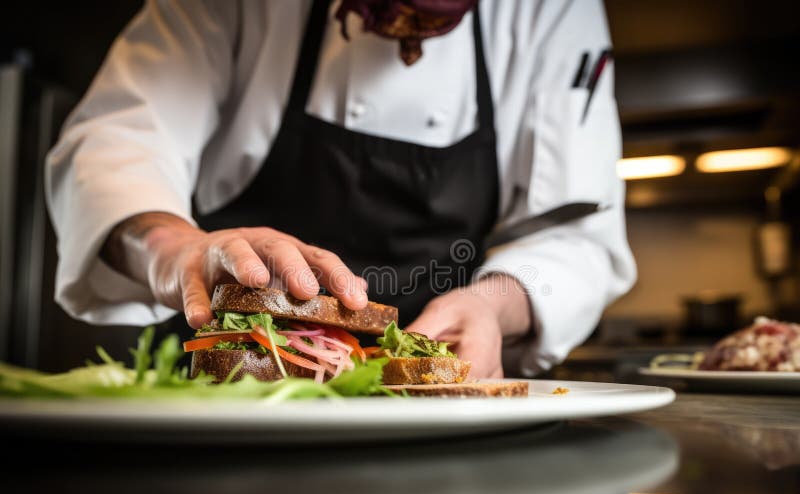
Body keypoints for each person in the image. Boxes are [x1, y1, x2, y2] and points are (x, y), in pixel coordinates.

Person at [46, 0, 636, 378]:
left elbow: (577, 235)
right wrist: (174, 251)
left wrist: (492, 305)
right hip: (223, 403)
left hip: (431, 425)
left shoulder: (553, 10)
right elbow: (114, 143)